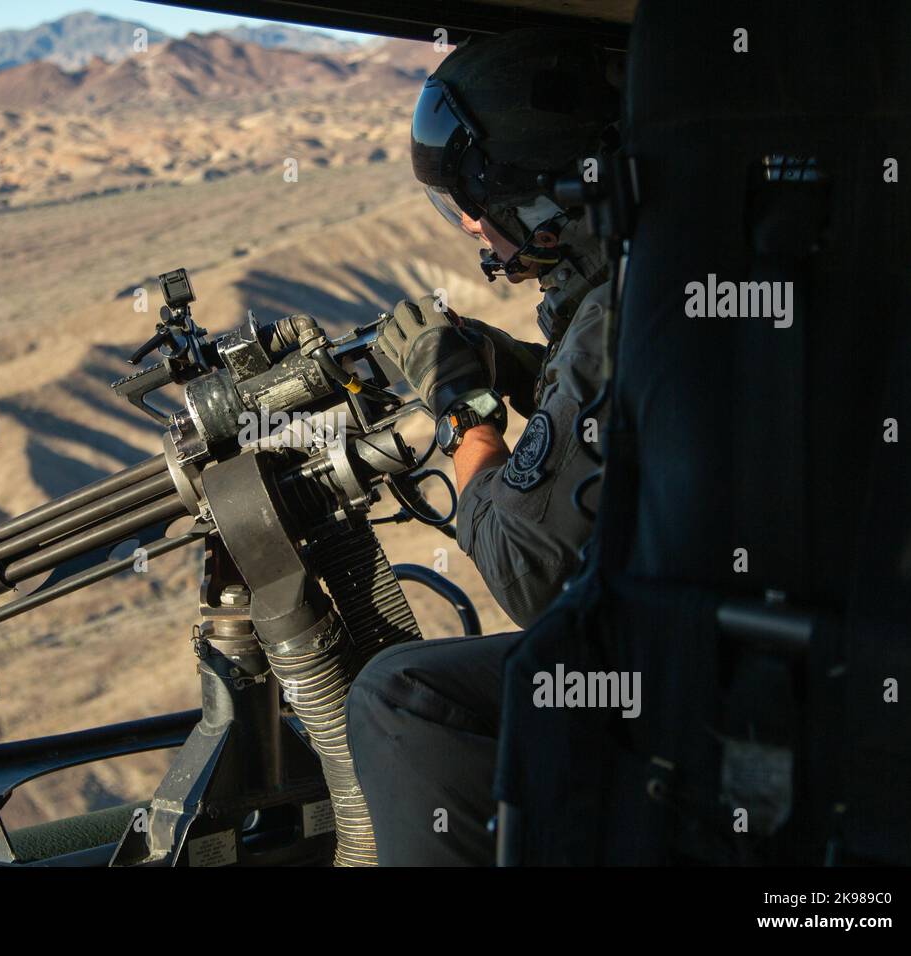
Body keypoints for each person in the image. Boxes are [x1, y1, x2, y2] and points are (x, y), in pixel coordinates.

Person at [346, 28, 621, 865]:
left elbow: (526, 569)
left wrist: (462, 411)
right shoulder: (667, 270)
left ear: (539, 195)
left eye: (476, 198)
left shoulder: (623, 309)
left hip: (688, 671)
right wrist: (519, 368)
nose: (470, 223)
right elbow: (634, 425)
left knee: (400, 694)